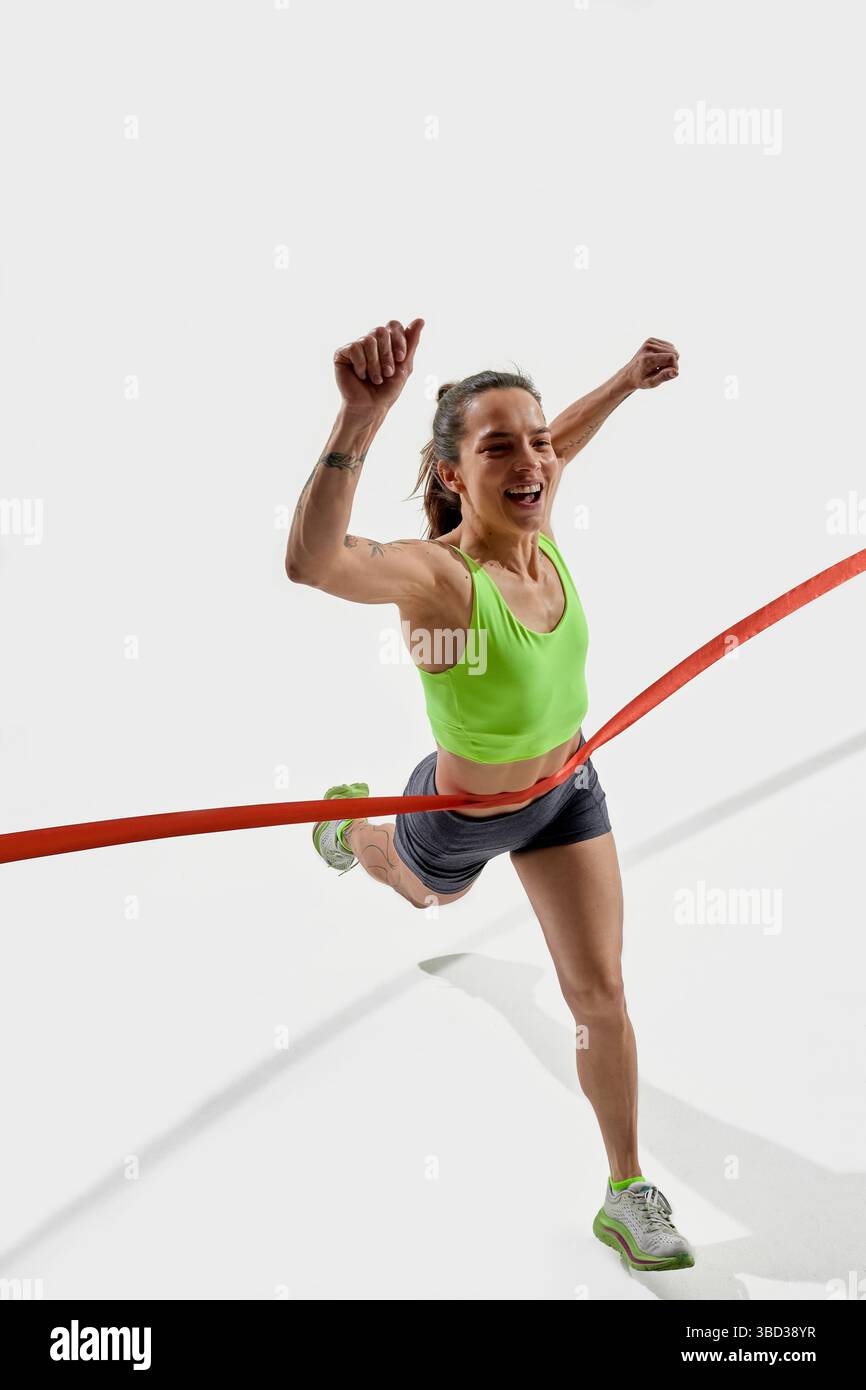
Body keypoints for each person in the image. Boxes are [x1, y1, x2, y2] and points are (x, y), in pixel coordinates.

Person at [285, 317, 693, 1272]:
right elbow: (314, 564)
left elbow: (567, 441)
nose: (532, 462)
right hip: (459, 815)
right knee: (426, 894)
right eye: (496, 446)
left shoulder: (539, 521)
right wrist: (359, 418)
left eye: (536, 441)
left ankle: (627, 1189)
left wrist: (625, 382)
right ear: (450, 477)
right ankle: (355, 831)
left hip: (566, 791)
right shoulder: (440, 580)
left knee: (599, 991)